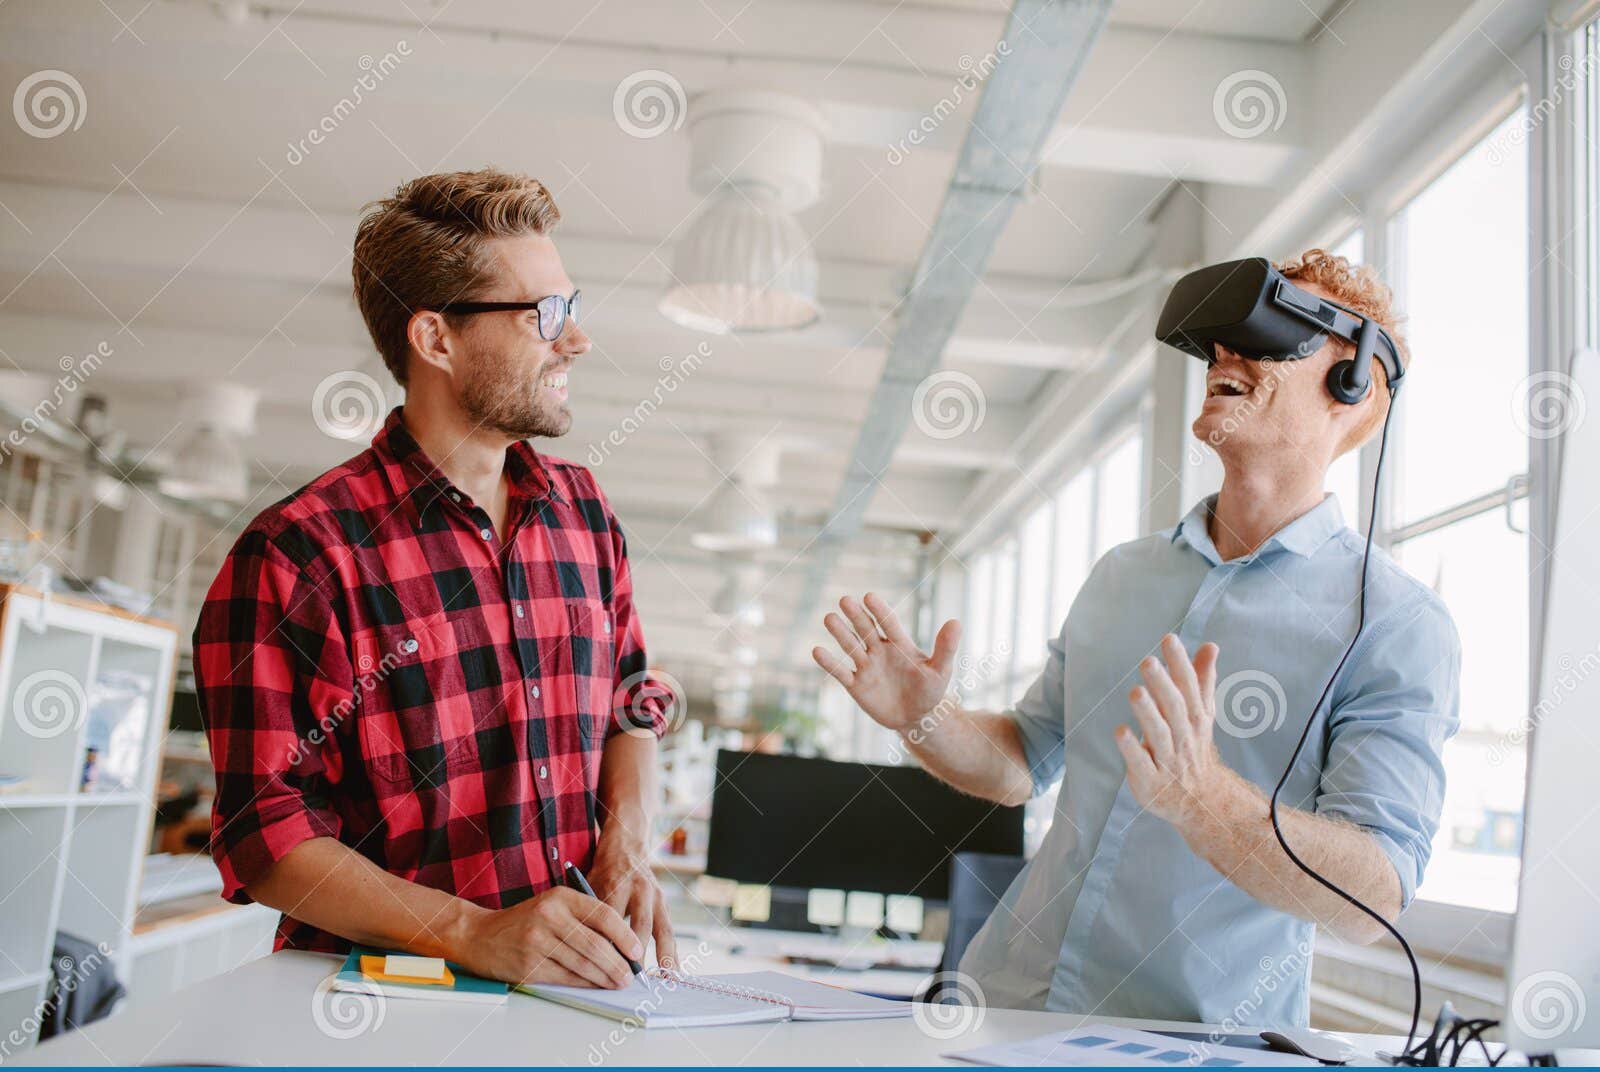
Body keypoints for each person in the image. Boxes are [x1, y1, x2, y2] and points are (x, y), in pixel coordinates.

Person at [814, 250, 1459, 1025]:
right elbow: (1024, 761)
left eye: (1273, 331)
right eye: (1222, 339)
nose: (1226, 352)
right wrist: (926, 715)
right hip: (1000, 1009)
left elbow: (1374, 894)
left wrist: (1204, 800)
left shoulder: (1395, 624)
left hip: (1184, 1054)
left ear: (1350, 387)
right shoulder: (1124, 573)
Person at [195, 169, 674, 989]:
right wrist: (472, 931)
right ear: (437, 339)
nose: (576, 340)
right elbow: (264, 836)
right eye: (543, 316)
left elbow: (635, 698)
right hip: (379, 1012)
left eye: (573, 308)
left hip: (570, 1003)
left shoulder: (583, 513)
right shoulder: (300, 554)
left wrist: (625, 837)